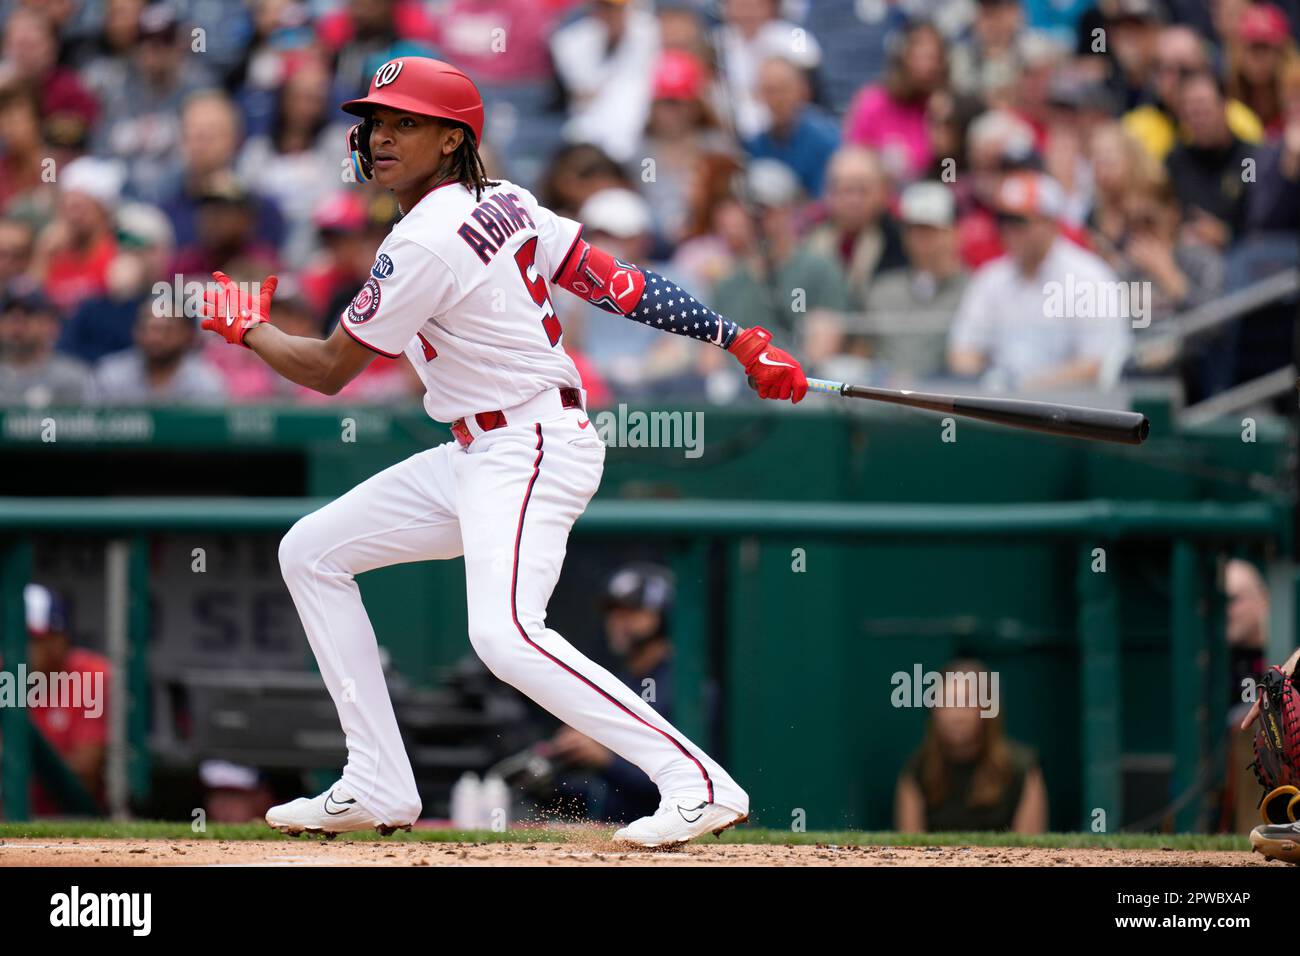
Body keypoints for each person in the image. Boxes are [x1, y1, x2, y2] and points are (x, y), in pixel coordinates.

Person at [200, 56, 808, 847]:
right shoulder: (504, 199)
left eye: (406, 124)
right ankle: (377, 780)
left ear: (454, 141)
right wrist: (734, 338)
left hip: (526, 444)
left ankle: (696, 781)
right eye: (378, 122)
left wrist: (248, 329)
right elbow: (614, 281)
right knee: (311, 551)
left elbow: (327, 371)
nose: (382, 137)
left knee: (505, 636)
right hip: (481, 447)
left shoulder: (426, 238)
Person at [947, 172, 1132, 391]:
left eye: (1020, 222)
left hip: (1075, 412)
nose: (1010, 231)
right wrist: (989, 384)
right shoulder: (991, 279)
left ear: (1051, 224)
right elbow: (962, 352)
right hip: (1000, 410)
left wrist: (1023, 387)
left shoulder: (1088, 277)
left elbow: (1100, 365)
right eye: (1004, 221)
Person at [545, 563, 699, 822]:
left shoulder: (686, 687)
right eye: (613, 613)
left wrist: (604, 758)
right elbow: (606, 796)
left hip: (668, 838)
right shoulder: (618, 682)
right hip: (613, 836)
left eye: (631, 612)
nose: (617, 622)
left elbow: (689, 784)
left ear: (663, 616)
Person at [894, 660, 1048, 833]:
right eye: (947, 702)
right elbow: (909, 846)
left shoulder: (1022, 768)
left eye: (966, 702)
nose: (956, 715)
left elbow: (1030, 849)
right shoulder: (916, 770)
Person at [863, 181, 968, 383]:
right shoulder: (882, 290)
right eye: (913, 229)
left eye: (930, 230)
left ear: (953, 232)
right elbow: (863, 351)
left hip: (949, 400)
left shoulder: (975, 291)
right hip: (885, 403)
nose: (920, 238)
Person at [22, 584, 110, 816]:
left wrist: (13, 763)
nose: (21, 649)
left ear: (60, 639)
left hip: (73, 821)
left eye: (33, 639)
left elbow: (86, 776)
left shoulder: (90, 675)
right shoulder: (6, 675)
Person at [742, 57, 841, 198]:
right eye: (768, 91)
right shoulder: (755, 145)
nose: (776, 99)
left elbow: (828, 202)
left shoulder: (826, 139)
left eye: (782, 89)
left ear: (802, 90)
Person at [95, 302, 227, 404]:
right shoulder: (111, 375)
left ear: (188, 334)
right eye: (147, 328)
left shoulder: (205, 382)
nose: (154, 337)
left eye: (166, 329)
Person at [0, 282, 94, 406]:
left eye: (28, 313)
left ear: (48, 324)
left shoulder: (72, 376)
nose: (17, 321)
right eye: (9, 314)